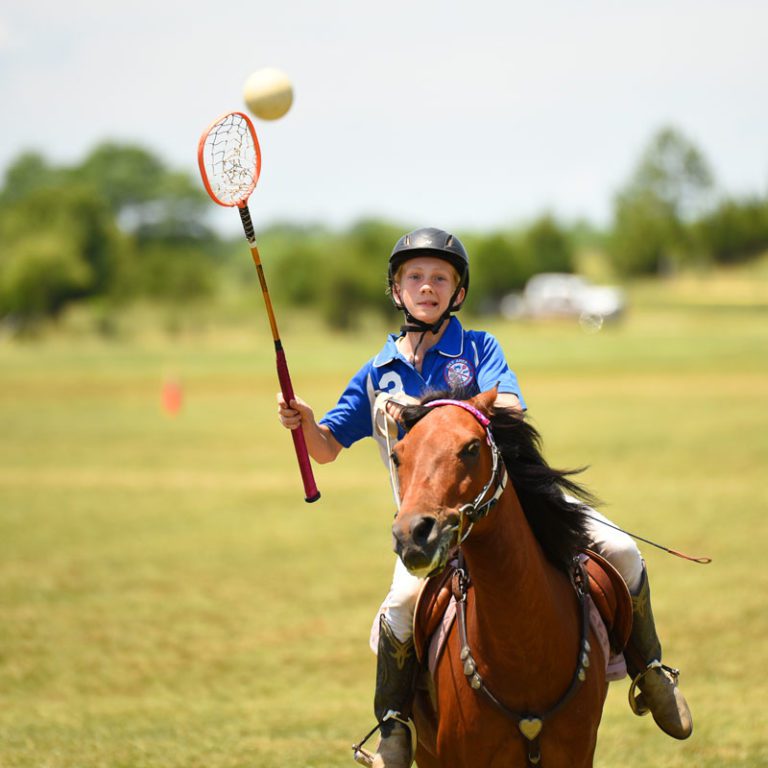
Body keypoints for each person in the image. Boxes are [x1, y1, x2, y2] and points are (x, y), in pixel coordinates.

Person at [277, 228, 692, 767]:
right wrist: (304, 422)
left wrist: (458, 412)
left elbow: (512, 407)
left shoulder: (478, 348)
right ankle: (395, 727)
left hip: (508, 503)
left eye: (440, 278)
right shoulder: (376, 374)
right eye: (415, 277)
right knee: (400, 608)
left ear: (458, 292)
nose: (427, 287)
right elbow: (326, 449)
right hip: (431, 524)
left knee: (622, 551)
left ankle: (651, 671)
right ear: (396, 290)